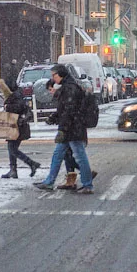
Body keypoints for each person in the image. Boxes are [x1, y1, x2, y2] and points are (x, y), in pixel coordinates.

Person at [33, 64, 94, 193]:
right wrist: (54, 118)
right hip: (71, 128)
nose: (52, 78)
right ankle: (49, 182)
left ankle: (88, 184)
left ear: (60, 74)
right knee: (58, 155)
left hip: (73, 129)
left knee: (79, 156)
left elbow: (69, 111)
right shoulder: (68, 87)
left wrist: (62, 129)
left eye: (54, 75)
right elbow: (63, 108)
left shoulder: (70, 88)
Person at [0, 79, 41, 179]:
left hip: (17, 127)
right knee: (11, 148)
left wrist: (7, 106)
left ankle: (31, 163)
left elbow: (16, 110)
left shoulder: (14, 98)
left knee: (12, 149)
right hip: (16, 126)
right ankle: (13, 170)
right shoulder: (16, 96)